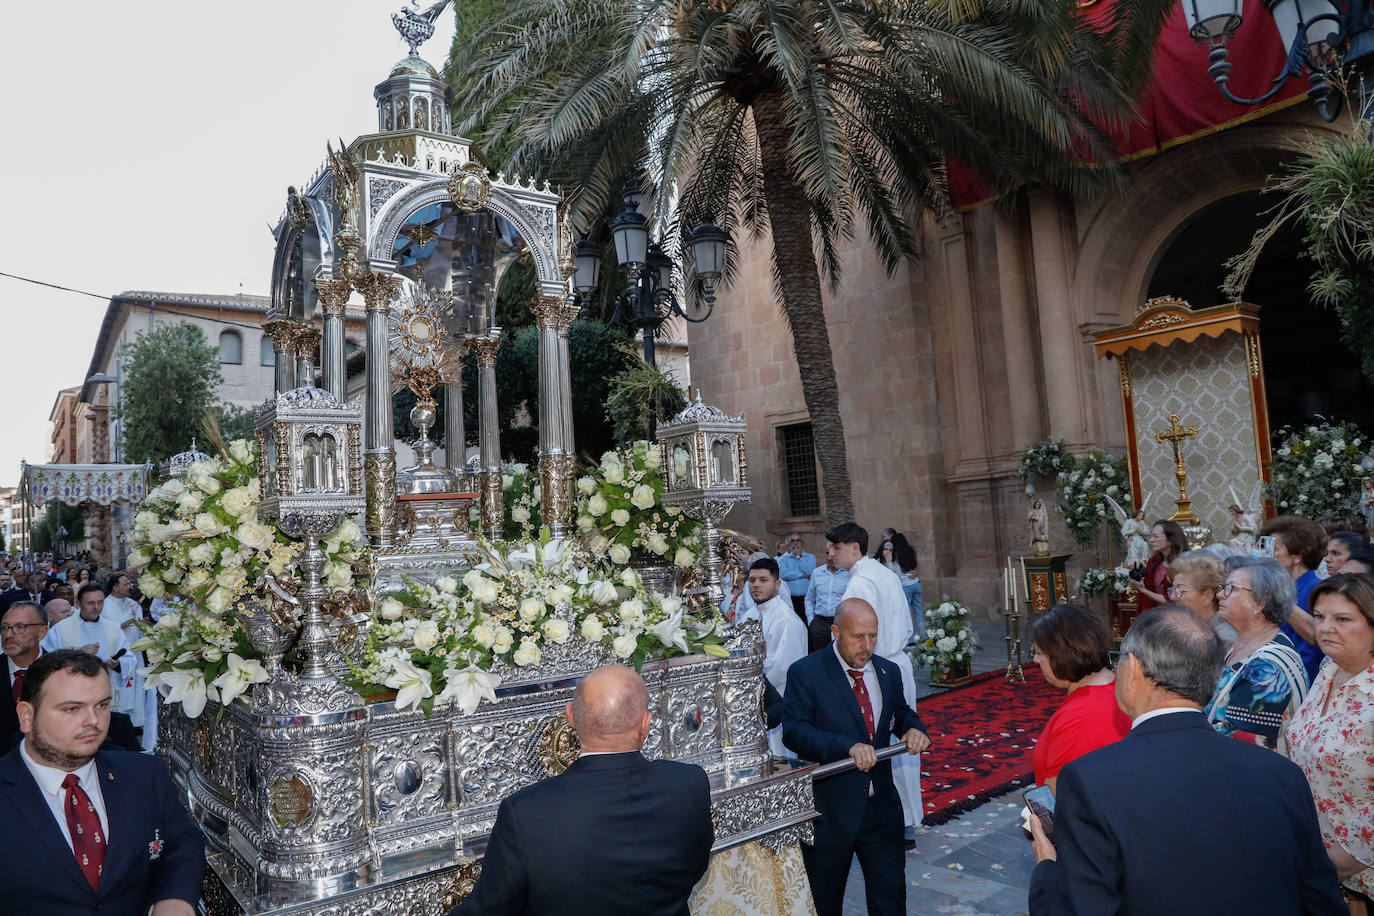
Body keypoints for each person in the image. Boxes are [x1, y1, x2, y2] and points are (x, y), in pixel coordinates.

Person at [1028, 605, 1346, 915]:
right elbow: (1320, 900)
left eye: (1119, 660)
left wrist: (1048, 869)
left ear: (1134, 670)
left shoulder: (1090, 781)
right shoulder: (1283, 774)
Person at [454, 665, 713, 915]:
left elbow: (492, 908)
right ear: (646, 723)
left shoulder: (526, 811)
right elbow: (695, 866)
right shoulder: (689, 783)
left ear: (570, 717)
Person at [0, 650, 204, 914]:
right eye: (72, 708)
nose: (93, 721)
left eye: (102, 705)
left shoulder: (143, 774)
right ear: (26, 715)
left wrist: (174, 898)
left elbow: (180, 841)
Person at [782, 599, 930, 916]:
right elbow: (795, 732)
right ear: (835, 632)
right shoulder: (806, 673)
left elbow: (901, 714)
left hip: (881, 813)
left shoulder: (888, 672)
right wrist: (846, 747)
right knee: (825, 903)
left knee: (890, 902)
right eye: (857, 636)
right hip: (829, 814)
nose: (867, 645)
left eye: (873, 636)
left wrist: (914, 728)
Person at [829, 522, 921, 846]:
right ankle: (909, 819)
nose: (831, 553)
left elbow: (855, 638)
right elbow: (907, 621)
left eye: (836, 547)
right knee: (904, 744)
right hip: (897, 662)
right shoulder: (885, 573)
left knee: (881, 743)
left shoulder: (861, 583)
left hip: (876, 668)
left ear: (854, 548)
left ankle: (897, 821)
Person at [1285, 574, 1374, 904]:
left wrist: (1327, 868)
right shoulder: (1328, 669)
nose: (1325, 628)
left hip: (1357, 881)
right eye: (1320, 617)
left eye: (1342, 619)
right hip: (1317, 865)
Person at [1204, 558, 1309, 749]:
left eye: (1232, 588)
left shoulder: (1270, 666)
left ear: (1261, 602)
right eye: (1223, 587)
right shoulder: (1241, 645)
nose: (1220, 594)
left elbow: (1241, 743)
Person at [1027, 604, 1130, 793]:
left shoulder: (1080, 716)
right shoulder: (1114, 686)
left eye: (1039, 653)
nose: (1035, 660)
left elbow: (1057, 796)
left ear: (1062, 654)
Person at [41, 584, 137, 723]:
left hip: (105, 689)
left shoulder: (113, 628)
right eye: (90, 603)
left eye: (100, 602)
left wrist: (117, 664)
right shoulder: (60, 629)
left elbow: (129, 658)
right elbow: (46, 660)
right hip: (71, 691)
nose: (96, 607)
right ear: (78, 604)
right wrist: (78, 653)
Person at [747, 558, 808, 760]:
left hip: (778, 704)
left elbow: (782, 669)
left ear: (778, 584)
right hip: (751, 701)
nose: (756, 584)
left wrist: (747, 689)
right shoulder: (748, 615)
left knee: (779, 757)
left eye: (763, 579)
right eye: (752, 579)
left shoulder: (786, 621)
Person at [1261, 515, 1328, 684]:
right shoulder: (1271, 587)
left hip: (1302, 677)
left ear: (1297, 556)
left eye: (1274, 549)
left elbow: (1316, 636)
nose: (1268, 556)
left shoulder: (1317, 588)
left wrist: (1276, 591)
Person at [1, 601, 48, 756]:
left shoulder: (63, 672)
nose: (8, 635)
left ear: (42, 632)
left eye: (20, 627)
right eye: (5, 627)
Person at [1168, 550, 1238, 647]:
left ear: (1207, 597)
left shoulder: (1223, 640)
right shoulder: (1194, 626)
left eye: (1181, 591)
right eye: (1173, 590)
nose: (1173, 597)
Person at [1133, 519, 1186, 612]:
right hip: (1154, 616)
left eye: (1156, 536)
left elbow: (1176, 599)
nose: (1151, 540)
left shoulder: (1184, 564)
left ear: (1171, 539)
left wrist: (1144, 591)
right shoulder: (1153, 561)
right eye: (1151, 536)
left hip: (1177, 615)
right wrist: (1134, 571)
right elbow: (1142, 585)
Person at [804, 554, 850, 652]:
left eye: (833, 553)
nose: (830, 557)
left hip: (840, 622)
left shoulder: (848, 574)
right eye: (827, 553)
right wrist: (811, 621)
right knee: (819, 655)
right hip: (820, 622)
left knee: (839, 654)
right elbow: (809, 598)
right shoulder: (817, 573)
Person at [778, 534, 817, 623]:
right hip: (790, 598)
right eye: (793, 541)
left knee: (807, 622)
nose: (795, 543)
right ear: (789, 544)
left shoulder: (810, 557)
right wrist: (802, 575)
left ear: (802, 543)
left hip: (806, 598)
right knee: (793, 622)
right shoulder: (784, 559)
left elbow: (811, 572)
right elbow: (784, 574)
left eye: (797, 540)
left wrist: (800, 557)